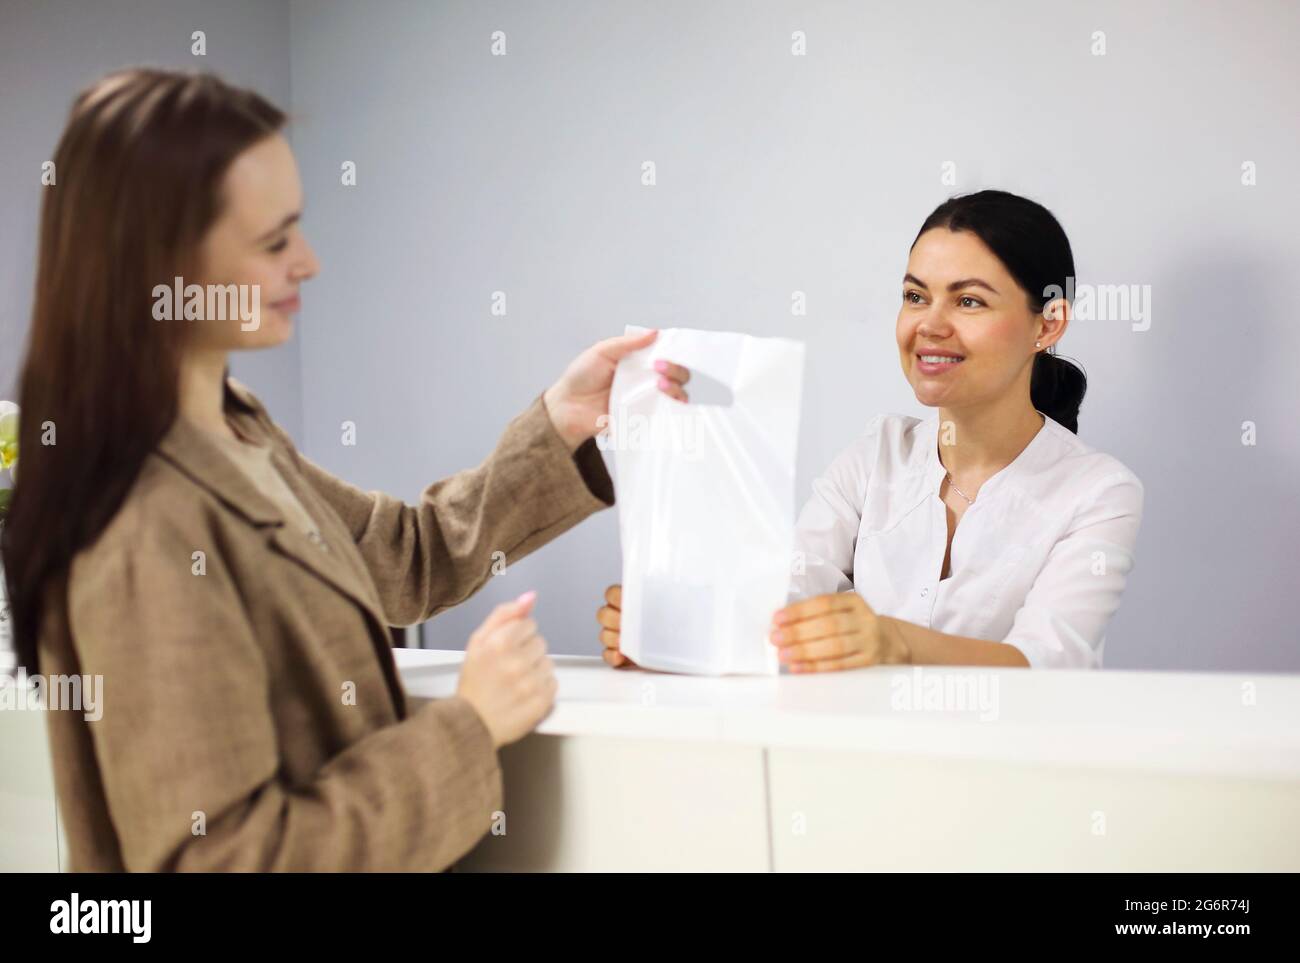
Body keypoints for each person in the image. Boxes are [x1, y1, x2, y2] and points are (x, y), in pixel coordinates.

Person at [1, 67, 688, 871]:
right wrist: (468, 724)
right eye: (274, 239)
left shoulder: (235, 426)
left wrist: (563, 424)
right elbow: (225, 859)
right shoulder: (142, 522)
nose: (311, 261)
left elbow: (403, 554)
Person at [598, 190, 1144, 672]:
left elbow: (1048, 662)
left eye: (969, 300)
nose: (929, 325)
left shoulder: (1097, 491)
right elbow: (785, 592)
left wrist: (897, 642)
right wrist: (669, 624)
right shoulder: (877, 455)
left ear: (1047, 323)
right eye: (915, 296)